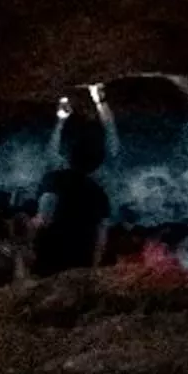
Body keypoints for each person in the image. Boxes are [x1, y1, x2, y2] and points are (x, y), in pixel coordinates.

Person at [32, 107, 113, 276]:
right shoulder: (100, 195)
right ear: (97, 164)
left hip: (50, 256)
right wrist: (93, 271)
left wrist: (60, 122)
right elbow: (101, 241)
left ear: (69, 155)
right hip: (79, 263)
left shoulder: (55, 180)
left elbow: (43, 220)